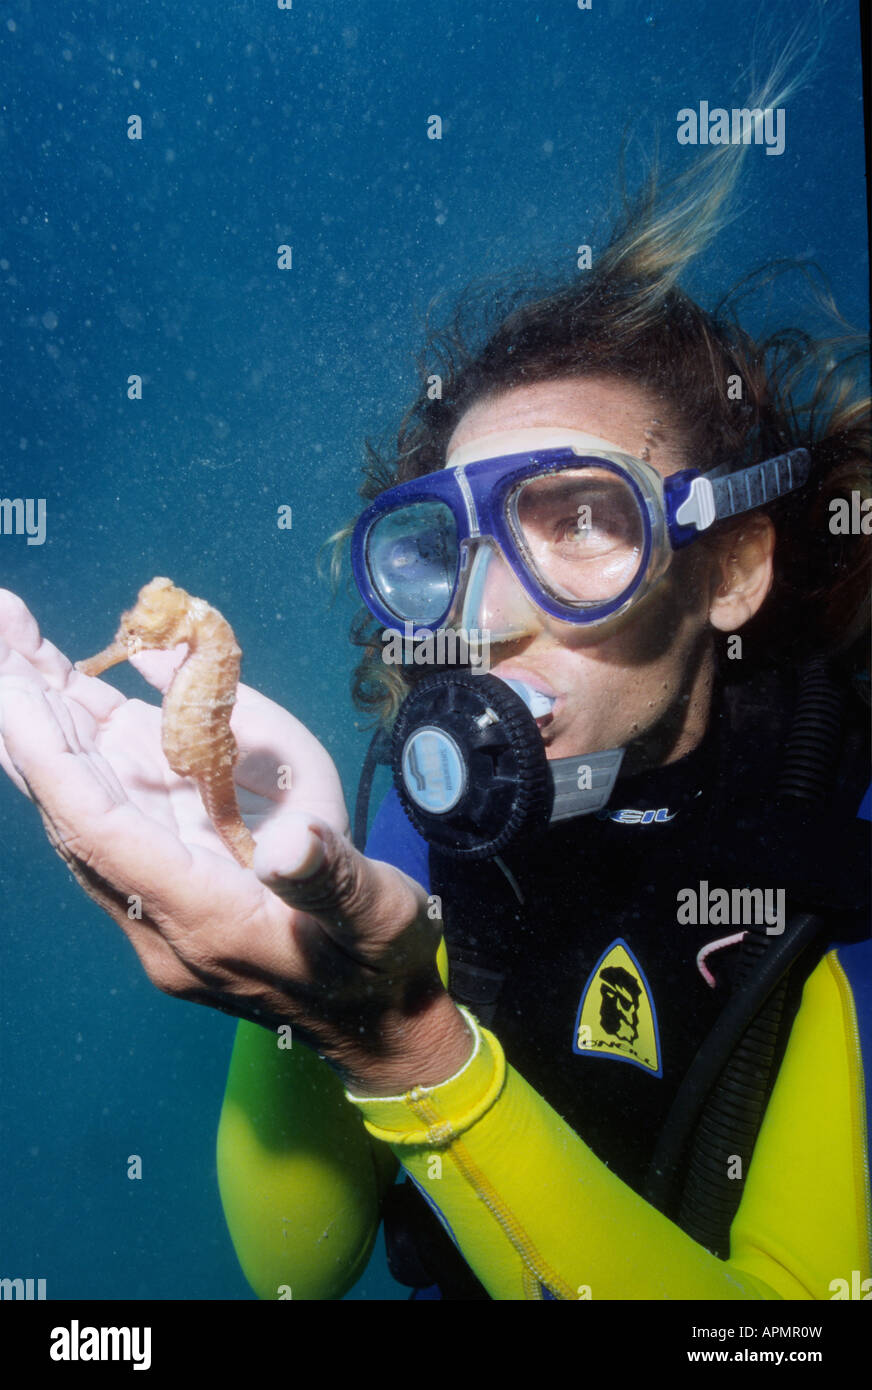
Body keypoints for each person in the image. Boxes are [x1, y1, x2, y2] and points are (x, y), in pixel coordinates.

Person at [0, 88, 869, 1303]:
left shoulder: (837, 899)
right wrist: (301, 973)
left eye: (576, 518)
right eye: (448, 547)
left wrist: (400, 1039)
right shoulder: (403, 839)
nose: (485, 611)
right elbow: (296, 1272)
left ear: (727, 569)